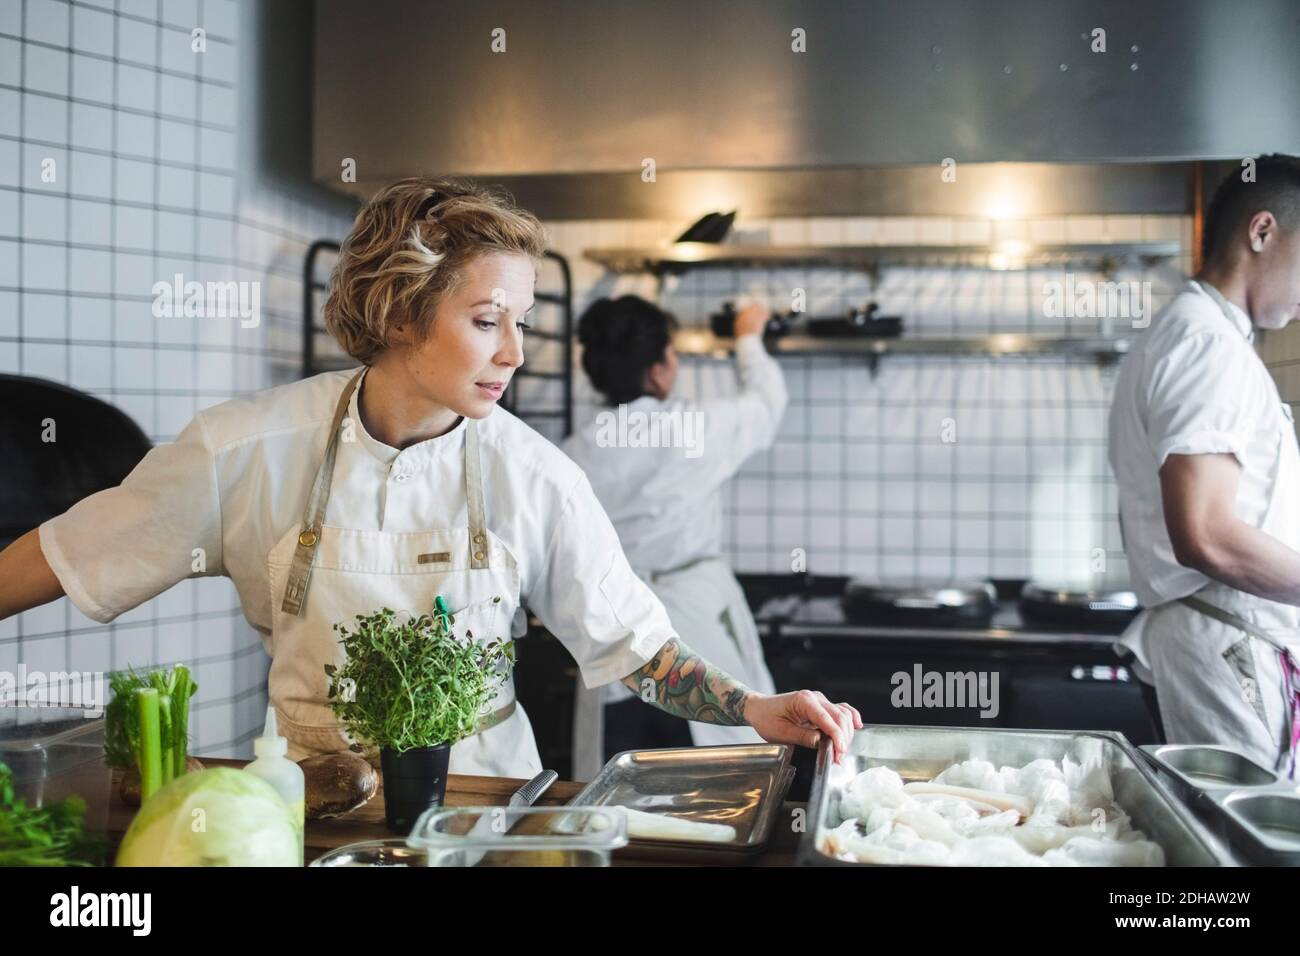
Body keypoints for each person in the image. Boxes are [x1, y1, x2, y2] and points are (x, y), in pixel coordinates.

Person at [0, 177, 860, 777]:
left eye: (520, 322)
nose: (515, 354)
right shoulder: (244, 450)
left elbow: (641, 650)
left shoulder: (535, 476)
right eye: (488, 321)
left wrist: (753, 706)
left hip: (487, 810)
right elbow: (64, 554)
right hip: (308, 811)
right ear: (399, 309)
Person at [1108, 154, 1300, 777]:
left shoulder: (1204, 336)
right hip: (1227, 646)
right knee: (1242, 849)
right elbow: (1208, 534)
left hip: (1223, 641)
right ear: (1263, 232)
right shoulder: (1205, 343)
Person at [562, 296, 786, 778]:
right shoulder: (696, 429)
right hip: (695, 630)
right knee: (722, 785)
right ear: (660, 368)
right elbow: (767, 403)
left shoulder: (571, 454)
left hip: (617, 636)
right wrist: (748, 335)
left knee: (623, 796)